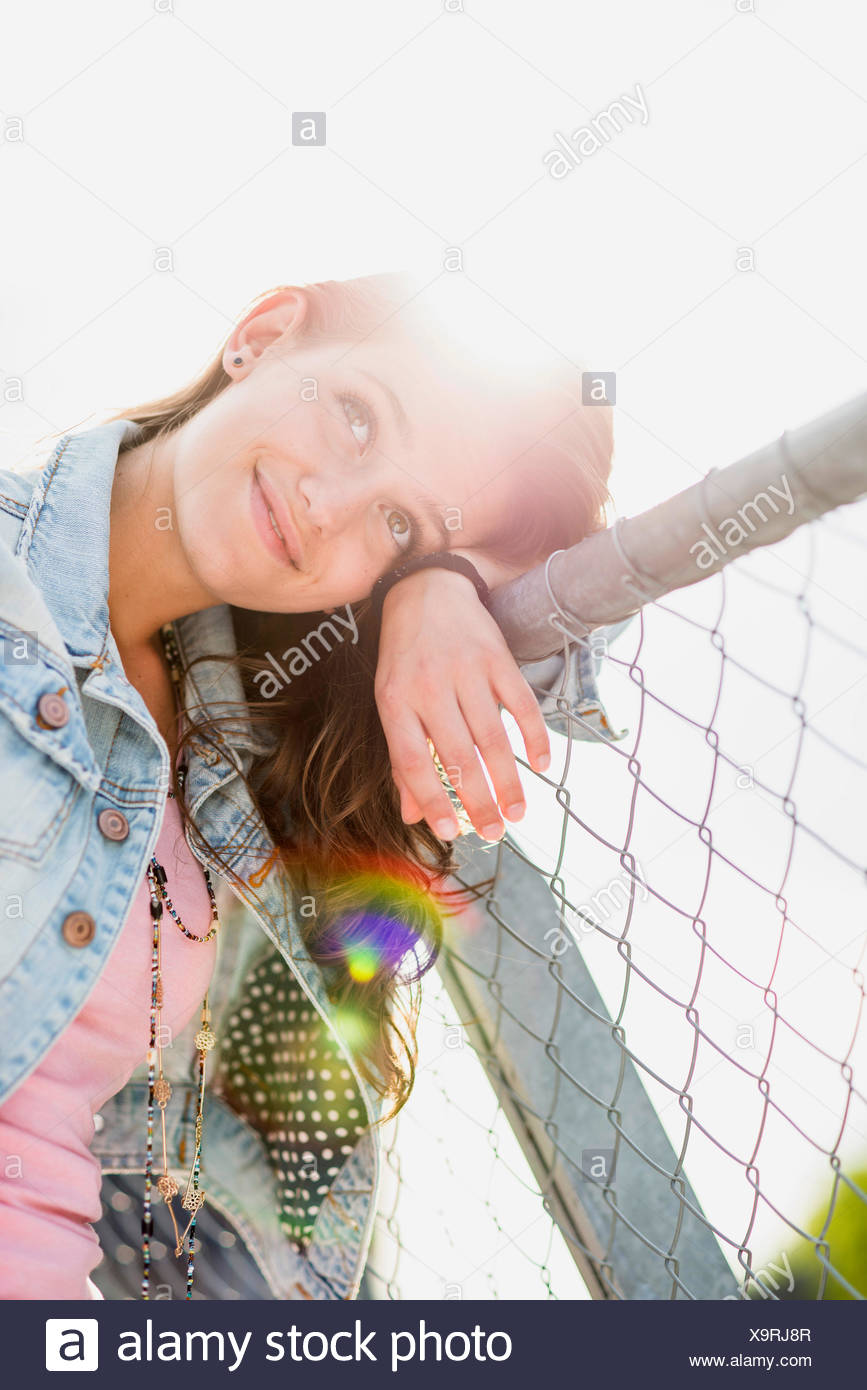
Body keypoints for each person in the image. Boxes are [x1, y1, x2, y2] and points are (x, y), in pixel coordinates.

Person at [0, 272, 614, 1299]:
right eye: (359, 417)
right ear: (264, 334)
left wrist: (439, 585)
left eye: (398, 523)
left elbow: (592, 627)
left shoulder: (239, 756)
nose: (329, 507)